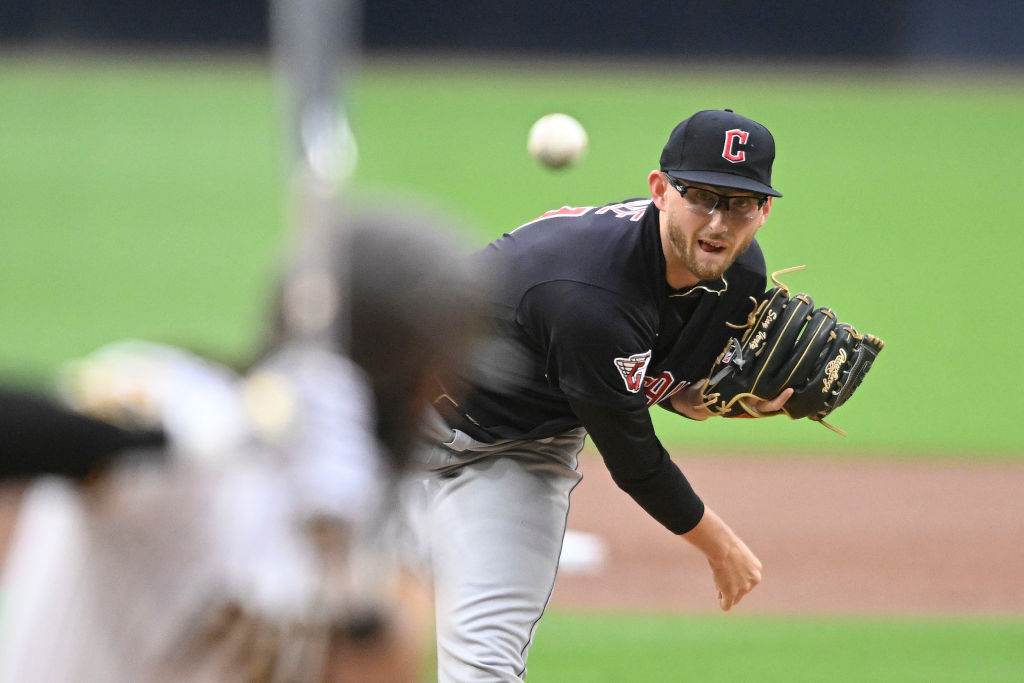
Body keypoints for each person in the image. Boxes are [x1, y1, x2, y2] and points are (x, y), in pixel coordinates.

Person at [0, 206, 486, 682]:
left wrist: (348, 569)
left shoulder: (380, 501)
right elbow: (23, 433)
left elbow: (378, 663)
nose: (452, 395)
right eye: (441, 371)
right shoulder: (179, 400)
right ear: (401, 380)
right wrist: (199, 440)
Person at [414, 108, 793, 681]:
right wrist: (720, 546)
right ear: (660, 191)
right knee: (291, 617)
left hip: (518, 451)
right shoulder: (589, 296)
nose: (718, 222)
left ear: (764, 211)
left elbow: (657, 375)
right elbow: (634, 459)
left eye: (740, 202)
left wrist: (715, 397)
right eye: (702, 196)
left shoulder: (738, 281)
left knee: (484, 665)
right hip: (394, 421)